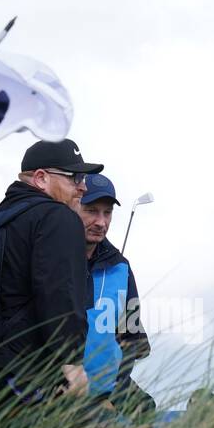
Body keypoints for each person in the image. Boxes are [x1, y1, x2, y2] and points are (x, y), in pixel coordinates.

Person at [0, 138, 96, 425]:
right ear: (41, 178)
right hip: (25, 381)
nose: (83, 186)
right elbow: (58, 292)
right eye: (74, 177)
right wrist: (72, 362)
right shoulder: (58, 217)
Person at [78, 174, 151, 407]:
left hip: (110, 388)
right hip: (65, 388)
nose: (101, 222)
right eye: (91, 210)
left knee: (146, 410)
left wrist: (112, 390)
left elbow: (130, 334)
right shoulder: (53, 260)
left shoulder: (121, 267)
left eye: (107, 213)